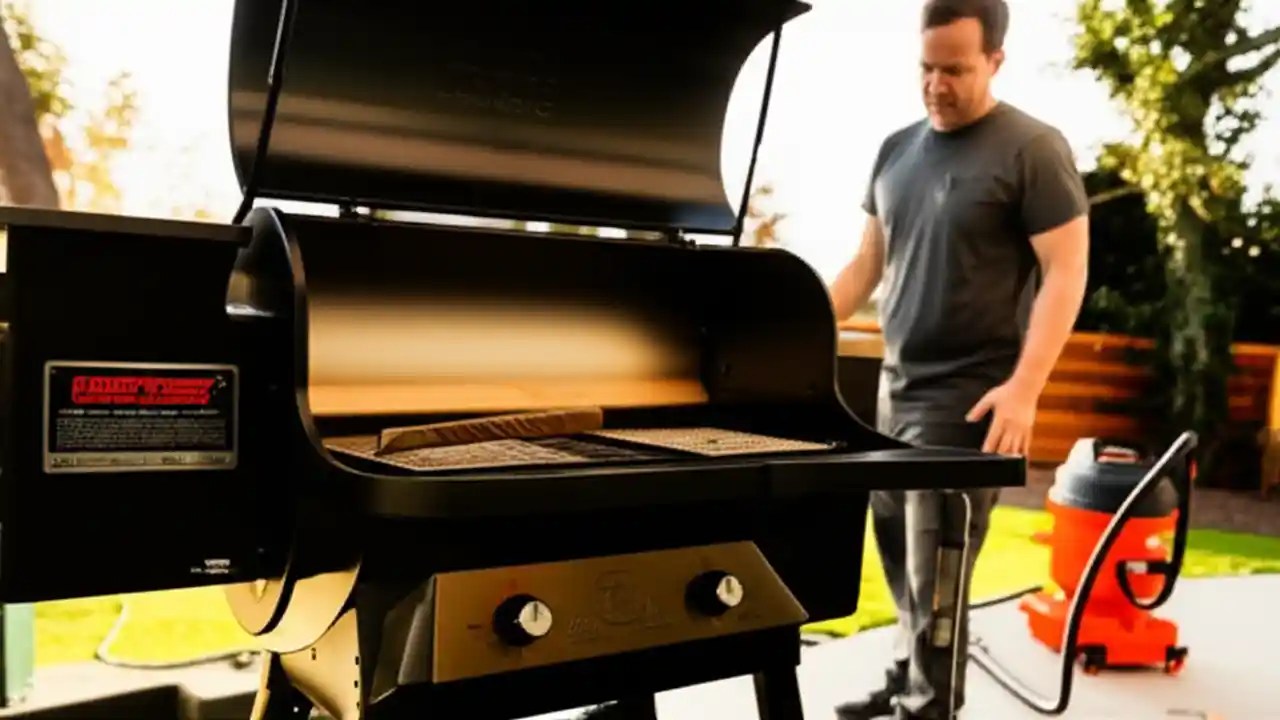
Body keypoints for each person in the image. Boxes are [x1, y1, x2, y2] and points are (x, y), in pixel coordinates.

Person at [828, 1, 1090, 719]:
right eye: (926, 67)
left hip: (971, 399)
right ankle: (905, 677)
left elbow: (1067, 271)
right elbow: (867, 263)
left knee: (938, 571)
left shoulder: (1031, 149)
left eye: (955, 69)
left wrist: (1025, 389)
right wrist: (796, 320)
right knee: (896, 555)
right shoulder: (896, 149)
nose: (936, 84)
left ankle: (929, 705)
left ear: (995, 61)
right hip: (894, 394)